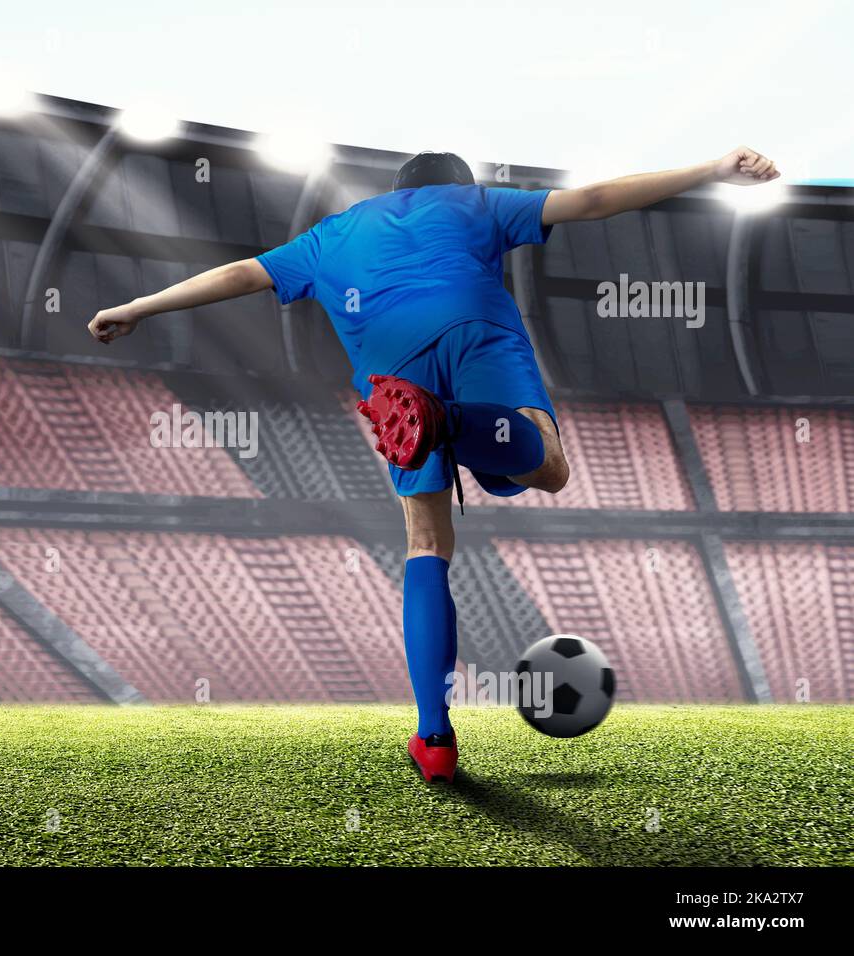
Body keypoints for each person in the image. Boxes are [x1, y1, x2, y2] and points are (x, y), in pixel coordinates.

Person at [87, 146, 779, 782]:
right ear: (458, 184)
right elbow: (593, 200)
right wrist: (712, 170)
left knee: (425, 545)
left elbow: (242, 273)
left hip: (387, 363)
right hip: (469, 324)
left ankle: (435, 739)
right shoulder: (473, 203)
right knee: (549, 467)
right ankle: (456, 425)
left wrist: (138, 306)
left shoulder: (332, 233)